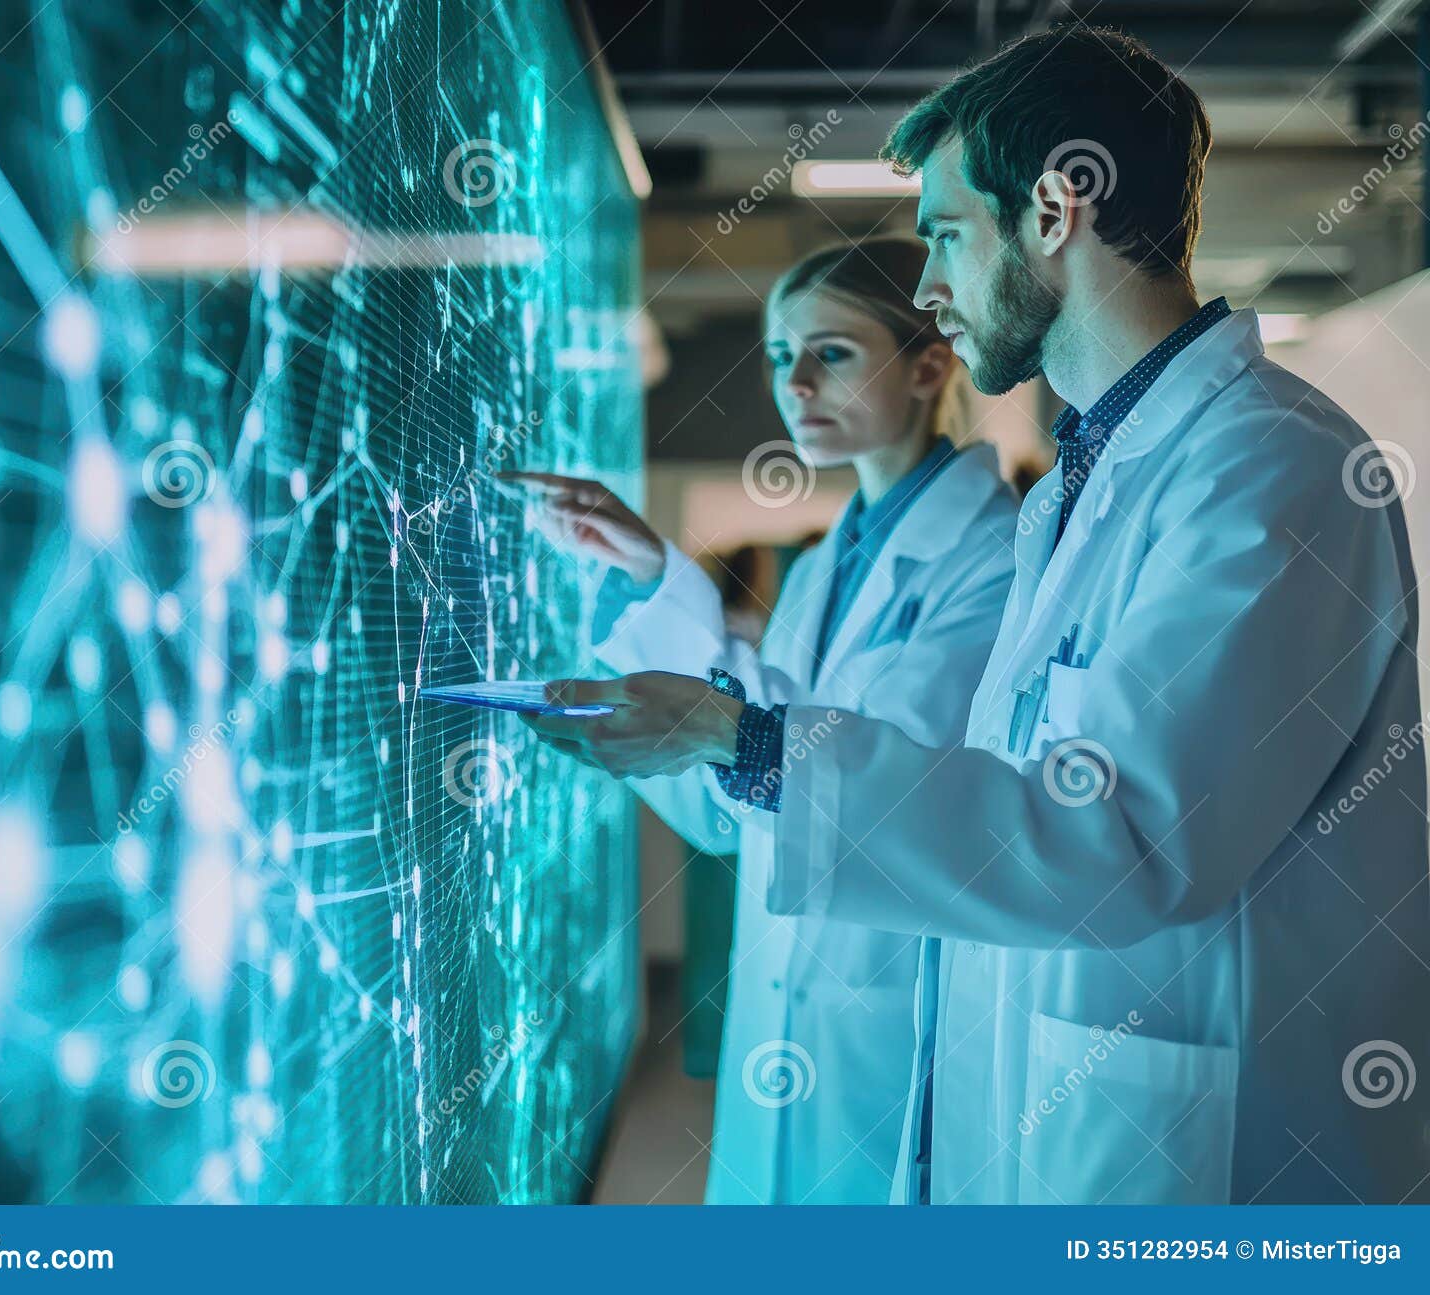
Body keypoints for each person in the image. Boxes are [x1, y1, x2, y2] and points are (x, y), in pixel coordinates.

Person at [522, 27, 1430, 1205]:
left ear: (1057, 207)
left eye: (947, 234)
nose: (932, 287)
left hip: (1202, 1164)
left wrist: (742, 738)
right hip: (1051, 1128)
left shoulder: (1268, 470)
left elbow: (1117, 839)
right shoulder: (1076, 491)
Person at [505, 237, 1019, 1204]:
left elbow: (892, 793)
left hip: (895, 1001)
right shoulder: (826, 564)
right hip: (790, 1001)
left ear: (928, 364)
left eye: (831, 352)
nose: (796, 383)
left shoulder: (989, 558)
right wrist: (655, 577)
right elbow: (747, 800)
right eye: (781, 357)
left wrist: (720, 729)